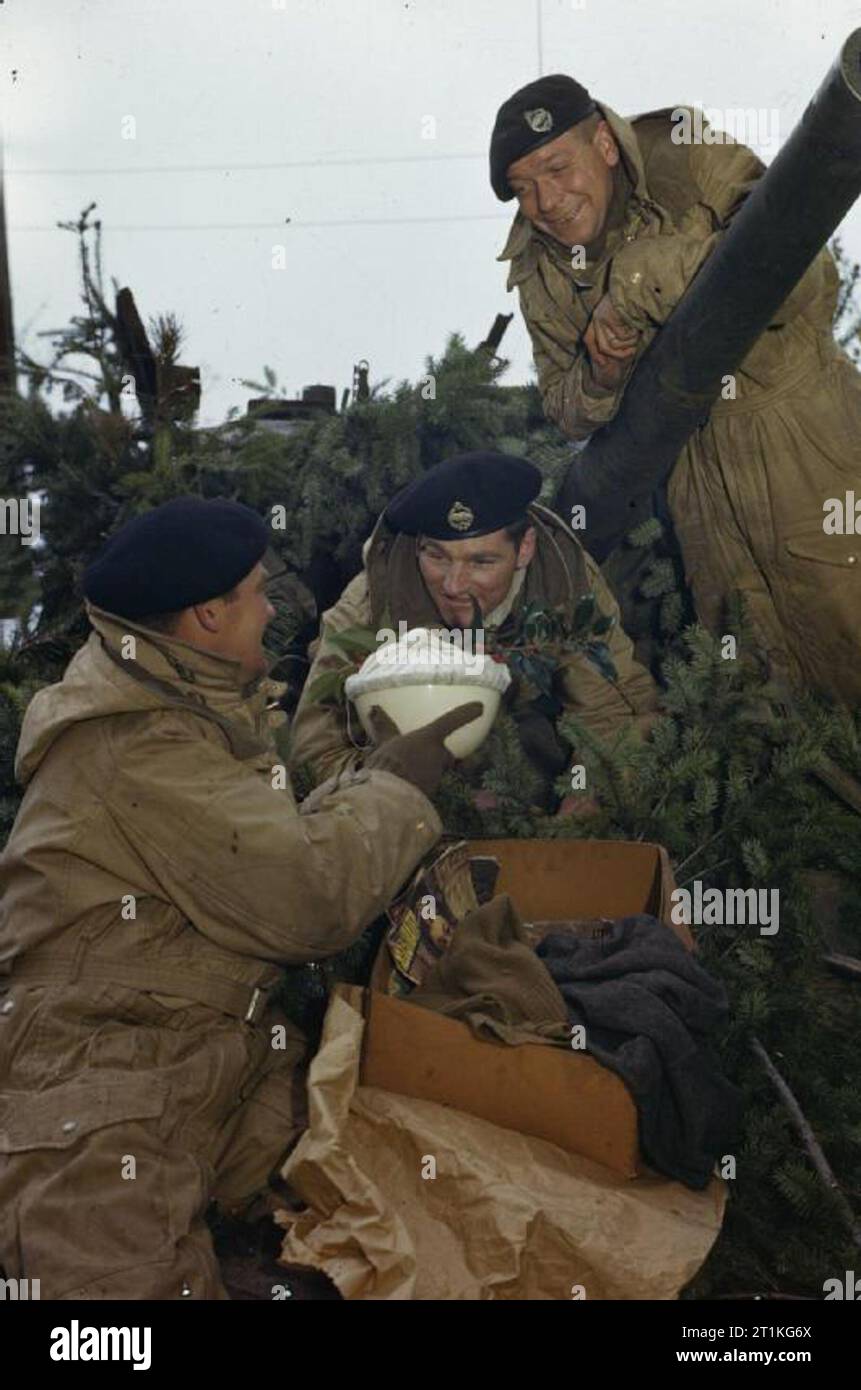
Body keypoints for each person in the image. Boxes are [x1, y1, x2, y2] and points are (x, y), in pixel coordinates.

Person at [0, 495, 480, 1300]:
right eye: (257, 593)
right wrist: (396, 790)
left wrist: (367, 784)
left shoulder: (179, 713)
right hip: (96, 1109)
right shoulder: (139, 746)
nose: (270, 609)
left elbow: (268, 851)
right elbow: (306, 899)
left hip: (200, 1075)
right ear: (206, 616)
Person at [490, 74, 861, 704]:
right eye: (524, 189)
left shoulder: (683, 158)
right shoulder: (539, 266)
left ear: (605, 145)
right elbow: (565, 408)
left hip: (809, 442)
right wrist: (599, 378)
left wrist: (639, 283)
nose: (547, 201)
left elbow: (803, 276)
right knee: (762, 690)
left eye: (557, 168)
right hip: (695, 487)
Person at [289, 451, 658, 812]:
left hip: (524, 744)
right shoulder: (372, 602)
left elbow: (613, 713)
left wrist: (585, 796)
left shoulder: (562, 578)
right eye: (437, 557)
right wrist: (392, 786)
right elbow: (315, 754)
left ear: (525, 548)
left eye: (481, 562)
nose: (454, 585)